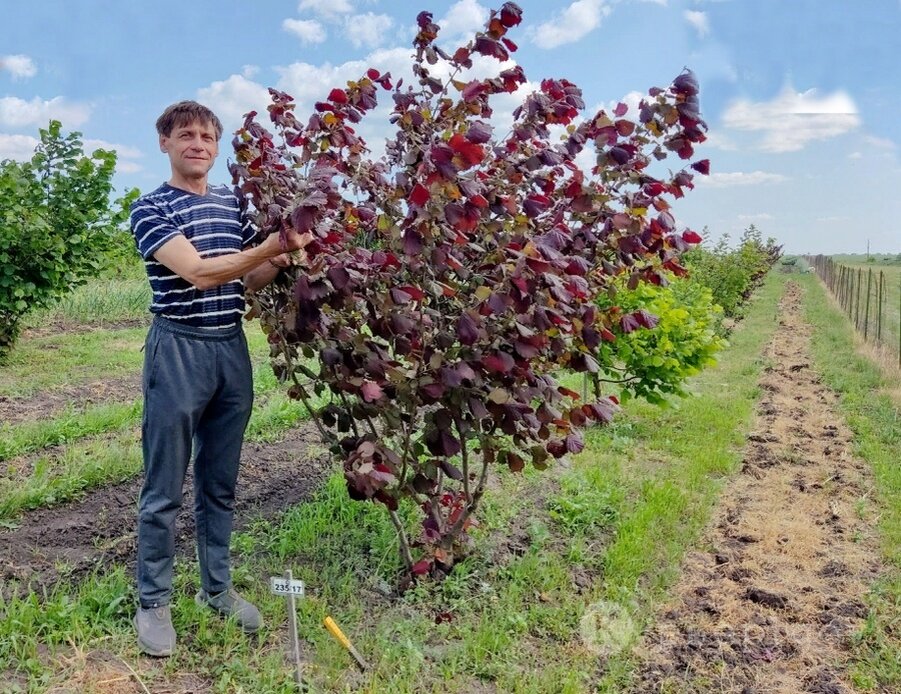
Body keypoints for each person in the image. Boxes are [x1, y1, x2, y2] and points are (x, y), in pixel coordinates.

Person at [129, 100, 308, 657]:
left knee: (220, 481)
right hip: (177, 350)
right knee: (163, 488)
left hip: (229, 349)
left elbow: (244, 279)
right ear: (165, 143)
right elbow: (201, 273)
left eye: (207, 136)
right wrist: (269, 245)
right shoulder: (150, 208)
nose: (198, 144)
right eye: (186, 135)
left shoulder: (232, 204)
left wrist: (284, 256)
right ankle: (153, 602)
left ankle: (218, 590)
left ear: (216, 145)